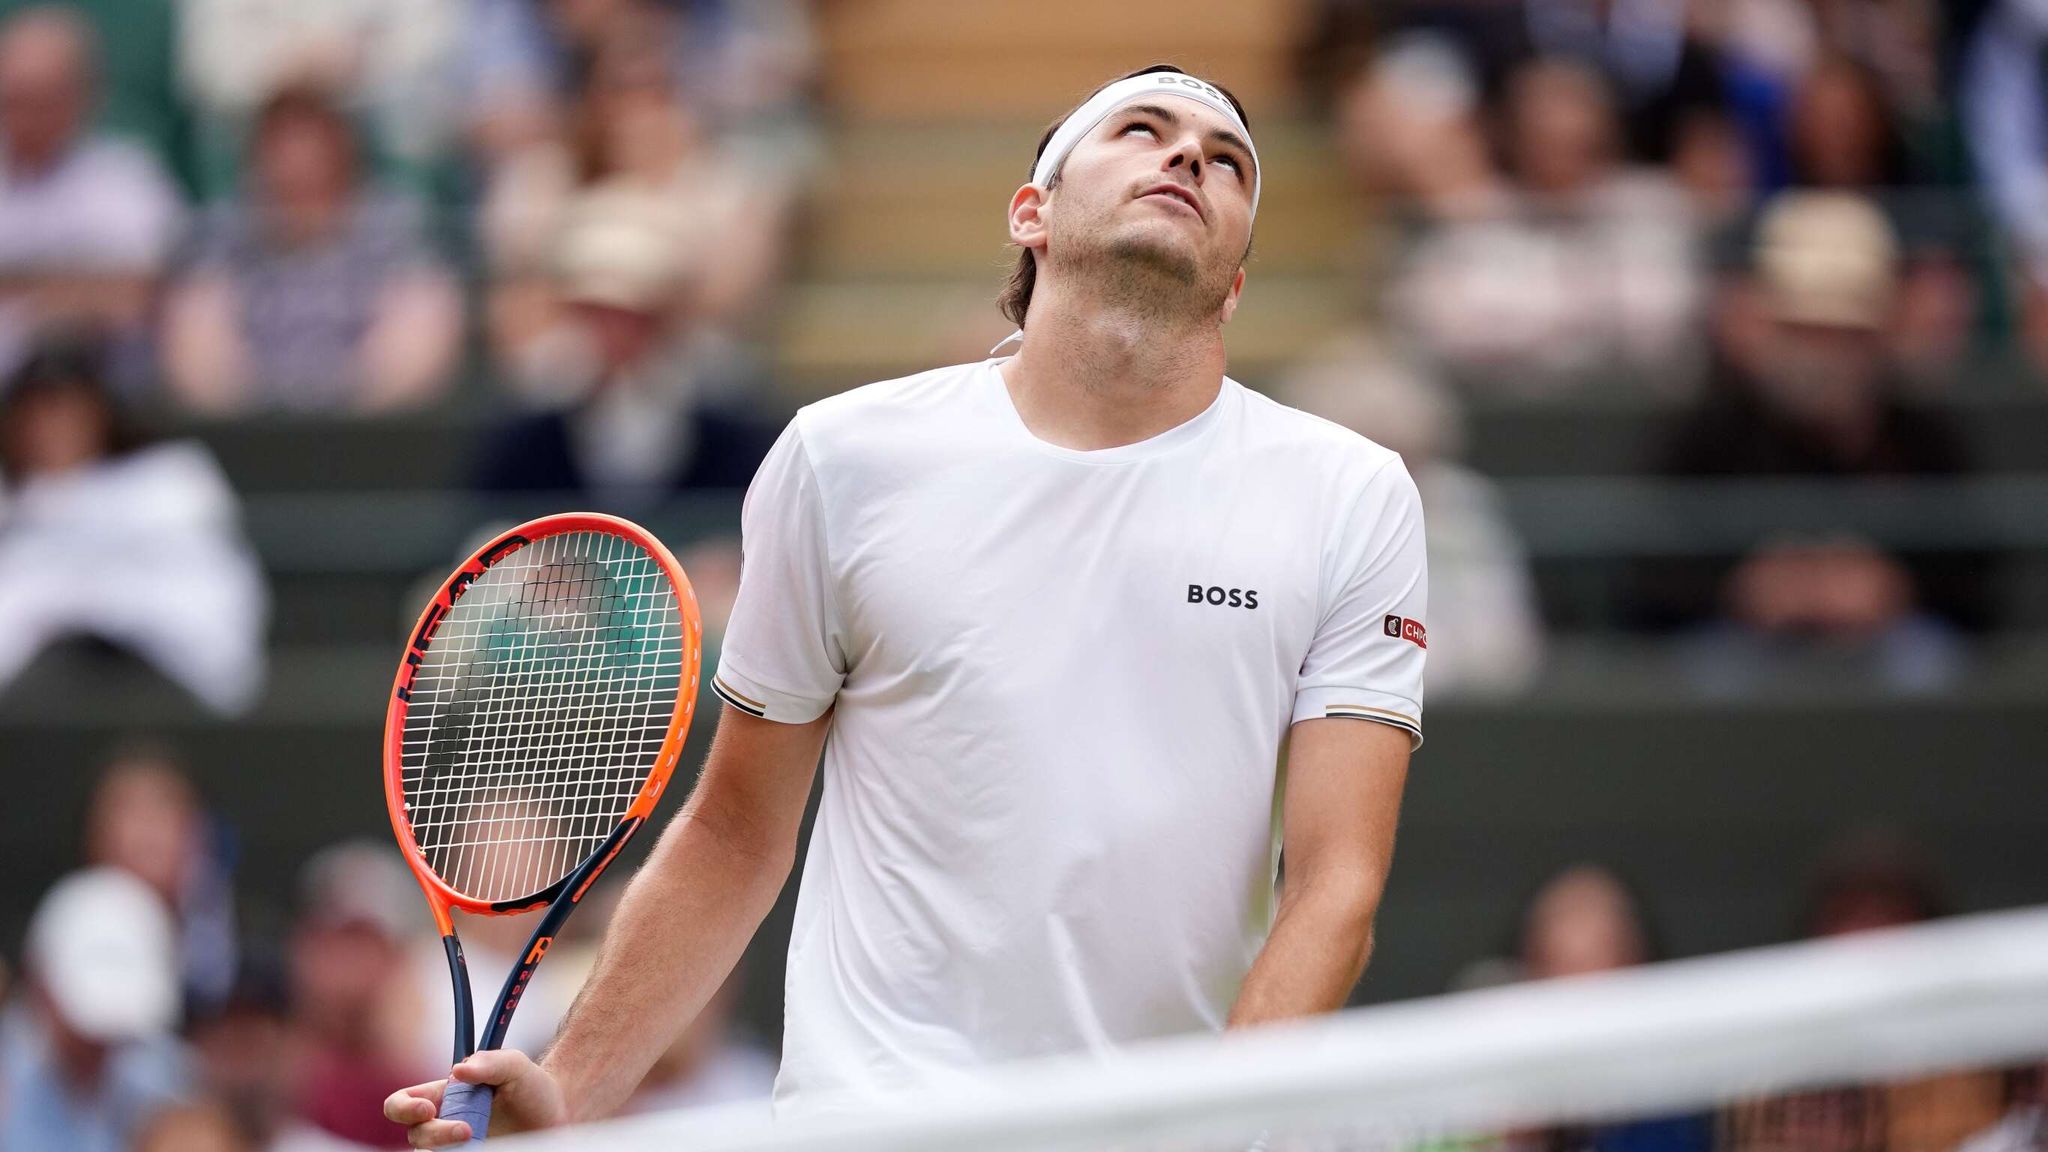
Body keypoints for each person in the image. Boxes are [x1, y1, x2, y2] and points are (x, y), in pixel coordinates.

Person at [388, 63, 1427, 1143]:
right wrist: (571, 1089)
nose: (1187, 159)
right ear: (1031, 212)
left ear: (1237, 281)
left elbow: (1334, 887)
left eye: (1226, 164)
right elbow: (735, 832)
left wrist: (1222, 1134)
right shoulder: (842, 459)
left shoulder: (1349, 496)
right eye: (1141, 130)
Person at [0, 340, 268, 712]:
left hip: (161, 687)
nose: (51, 427)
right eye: (37, 412)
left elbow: (212, 607)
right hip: (32, 710)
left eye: (66, 409)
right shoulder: (10, 503)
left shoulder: (170, 482)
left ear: (100, 413)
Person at [161, 85, 462, 414]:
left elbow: (418, 341)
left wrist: (344, 419)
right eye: (283, 155)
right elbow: (198, 351)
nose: (299, 169)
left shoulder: (397, 227)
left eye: (313, 157)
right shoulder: (224, 231)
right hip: (249, 433)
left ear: (343, 155)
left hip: (371, 436)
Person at [0, 6, 184, 376]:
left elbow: (137, 296)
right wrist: (78, 287)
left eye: (44, 98)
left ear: (83, 94)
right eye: (14, 98)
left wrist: (20, 290)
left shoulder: (128, 178)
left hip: (103, 396)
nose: (27, 116)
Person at [0, 868, 194, 1151]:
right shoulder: (9, 1079)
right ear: (41, 988)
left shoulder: (169, 1077)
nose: (99, 1045)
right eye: (85, 1029)